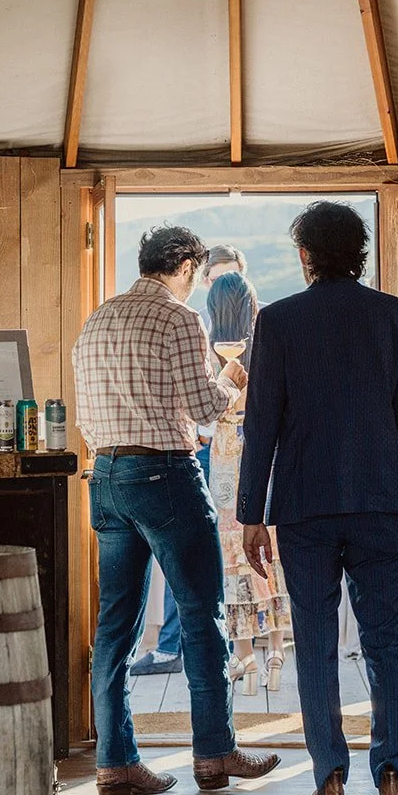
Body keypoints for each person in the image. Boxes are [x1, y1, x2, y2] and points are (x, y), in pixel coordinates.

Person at [237, 202, 398, 795]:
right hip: (380, 500)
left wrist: (250, 515)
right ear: (361, 253)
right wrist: (368, 429)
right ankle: (393, 785)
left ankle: (330, 787)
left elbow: (259, 423)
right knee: (386, 644)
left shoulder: (280, 321)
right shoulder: (393, 315)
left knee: (316, 647)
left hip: (304, 506)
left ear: (305, 256)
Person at [73, 224, 280, 795]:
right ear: (186, 268)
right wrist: (234, 376)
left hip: (107, 476)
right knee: (200, 611)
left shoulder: (97, 319)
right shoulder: (179, 318)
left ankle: (115, 763)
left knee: (115, 625)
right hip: (164, 473)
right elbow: (204, 406)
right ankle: (214, 754)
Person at [130, 244, 248, 677]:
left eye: (226, 279)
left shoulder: (219, 329)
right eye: (211, 279)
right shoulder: (189, 325)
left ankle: (226, 647)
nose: (216, 287)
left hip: (225, 453)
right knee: (190, 561)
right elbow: (198, 404)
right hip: (191, 453)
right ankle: (178, 647)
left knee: (209, 560)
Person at [205, 272, 289, 696]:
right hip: (264, 457)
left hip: (224, 462)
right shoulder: (268, 346)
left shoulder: (210, 352)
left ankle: (246, 656)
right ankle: (276, 648)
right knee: (268, 548)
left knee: (235, 554)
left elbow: (202, 420)